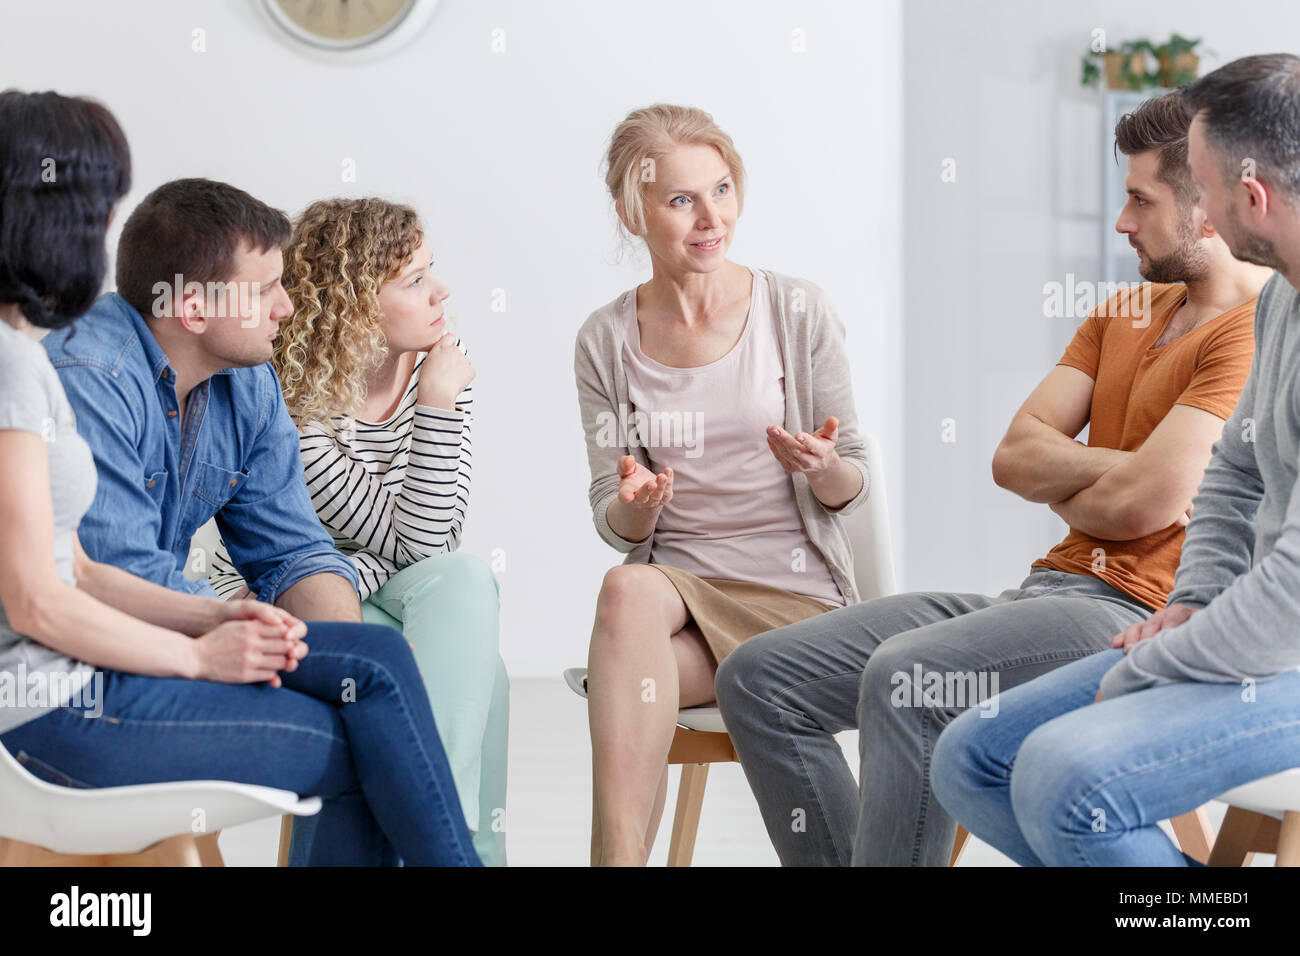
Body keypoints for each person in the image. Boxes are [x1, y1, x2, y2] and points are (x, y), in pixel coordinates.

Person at [714, 89, 1272, 866]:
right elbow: (1013, 455)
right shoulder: (1120, 312)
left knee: (906, 678)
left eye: (1141, 201)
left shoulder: (1252, 334)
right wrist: (1126, 473)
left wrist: (1109, 479)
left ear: (1205, 208)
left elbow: (1148, 504)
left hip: (1130, 612)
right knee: (760, 677)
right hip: (1044, 591)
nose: (1122, 222)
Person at [0, 89, 477, 866]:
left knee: (374, 672)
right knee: (369, 729)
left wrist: (234, 625)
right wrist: (204, 645)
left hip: (91, 673)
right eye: (95, 207)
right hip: (55, 707)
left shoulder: (37, 358)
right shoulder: (55, 367)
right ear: (192, 308)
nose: (287, 307)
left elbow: (87, 570)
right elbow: (40, 596)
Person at [932, 53, 1300, 867]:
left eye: (1195, 187)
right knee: (972, 755)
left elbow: (1293, 588)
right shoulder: (1282, 300)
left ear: (1248, 199)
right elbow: (1234, 473)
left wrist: (1161, 658)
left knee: (1067, 780)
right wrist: (1196, 600)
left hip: (1291, 653)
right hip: (1257, 636)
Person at [575, 104, 873, 865]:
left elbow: (853, 483)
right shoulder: (605, 340)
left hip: (797, 602)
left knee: (624, 670)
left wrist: (822, 467)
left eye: (722, 190)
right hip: (678, 601)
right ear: (631, 213)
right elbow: (615, 525)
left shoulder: (794, 308)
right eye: (681, 200)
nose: (711, 218)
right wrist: (637, 508)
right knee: (624, 588)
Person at [208, 197, 509, 866]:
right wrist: (437, 407)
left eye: (433, 271)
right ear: (351, 303)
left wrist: (435, 399)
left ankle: (443, 839)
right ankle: (447, 844)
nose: (442, 291)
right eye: (413, 280)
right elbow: (408, 546)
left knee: (465, 585)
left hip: (387, 581)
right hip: (297, 593)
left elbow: (432, 548)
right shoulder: (291, 395)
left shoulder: (439, 369)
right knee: (468, 668)